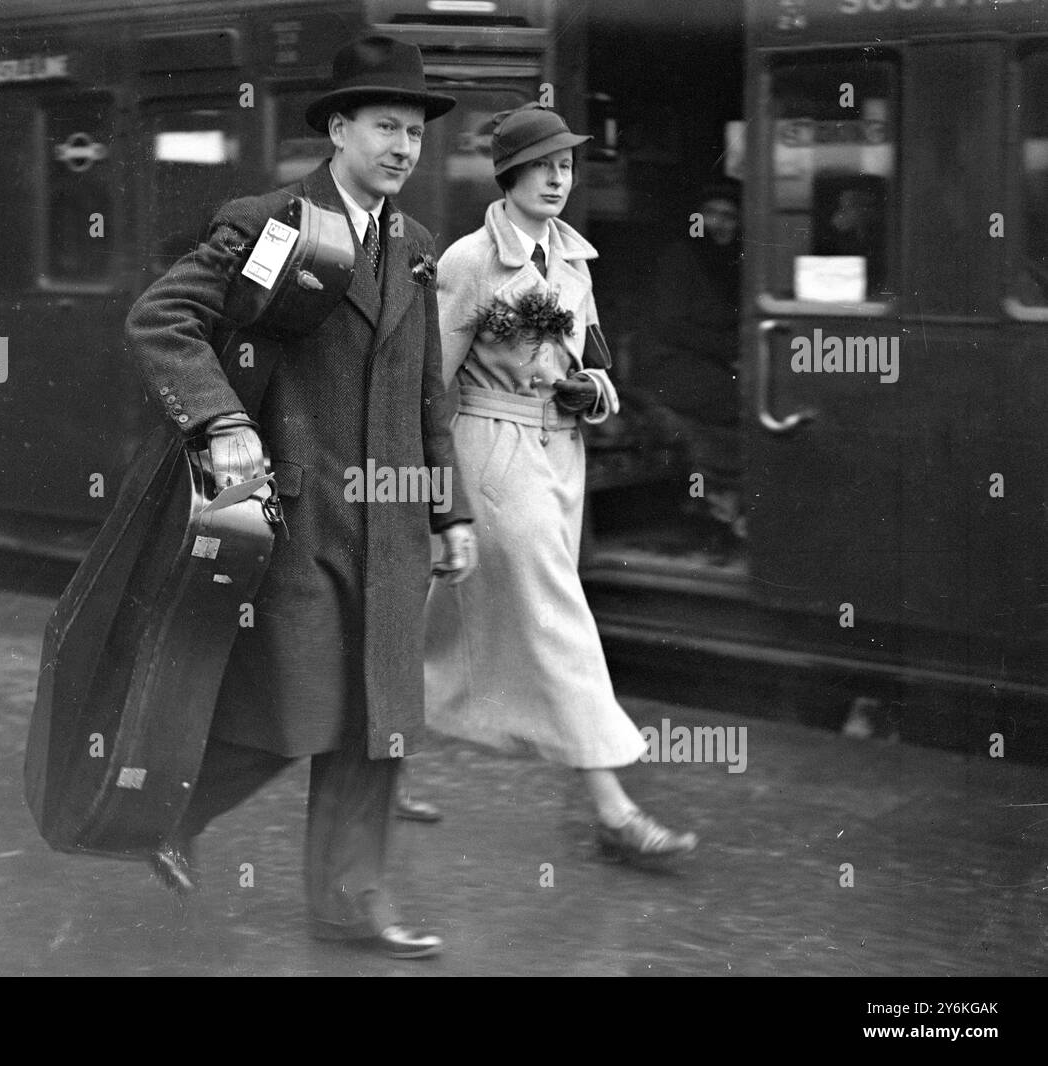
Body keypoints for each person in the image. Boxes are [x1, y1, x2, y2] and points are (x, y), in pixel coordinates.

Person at [125, 35, 477, 959]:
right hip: (299, 510)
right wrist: (217, 421)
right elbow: (163, 318)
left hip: (393, 518)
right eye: (386, 126)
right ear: (337, 129)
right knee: (294, 707)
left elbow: (425, 392)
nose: (405, 146)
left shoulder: (419, 245)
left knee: (378, 723)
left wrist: (451, 510)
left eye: (415, 130)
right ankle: (165, 814)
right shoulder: (273, 221)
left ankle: (352, 904)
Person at [424, 104, 697, 863]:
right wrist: (442, 501)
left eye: (567, 166)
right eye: (542, 165)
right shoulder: (468, 261)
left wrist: (593, 393)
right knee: (556, 618)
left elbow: (597, 361)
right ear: (508, 174)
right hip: (495, 449)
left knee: (447, 617)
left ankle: (374, 754)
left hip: (560, 453)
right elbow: (430, 386)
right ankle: (614, 812)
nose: (556, 179)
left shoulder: (574, 260)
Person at [639, 179, 744, 551]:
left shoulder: (736, 263)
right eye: (712, 214)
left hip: (714, 360)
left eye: (729, 216)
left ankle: (724, 512)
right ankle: (721, 511)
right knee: (739, 402)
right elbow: (672, 325)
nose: (720, 223)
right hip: (672, 363)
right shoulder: (679, 258)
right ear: (697, 219)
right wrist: (732, 350)